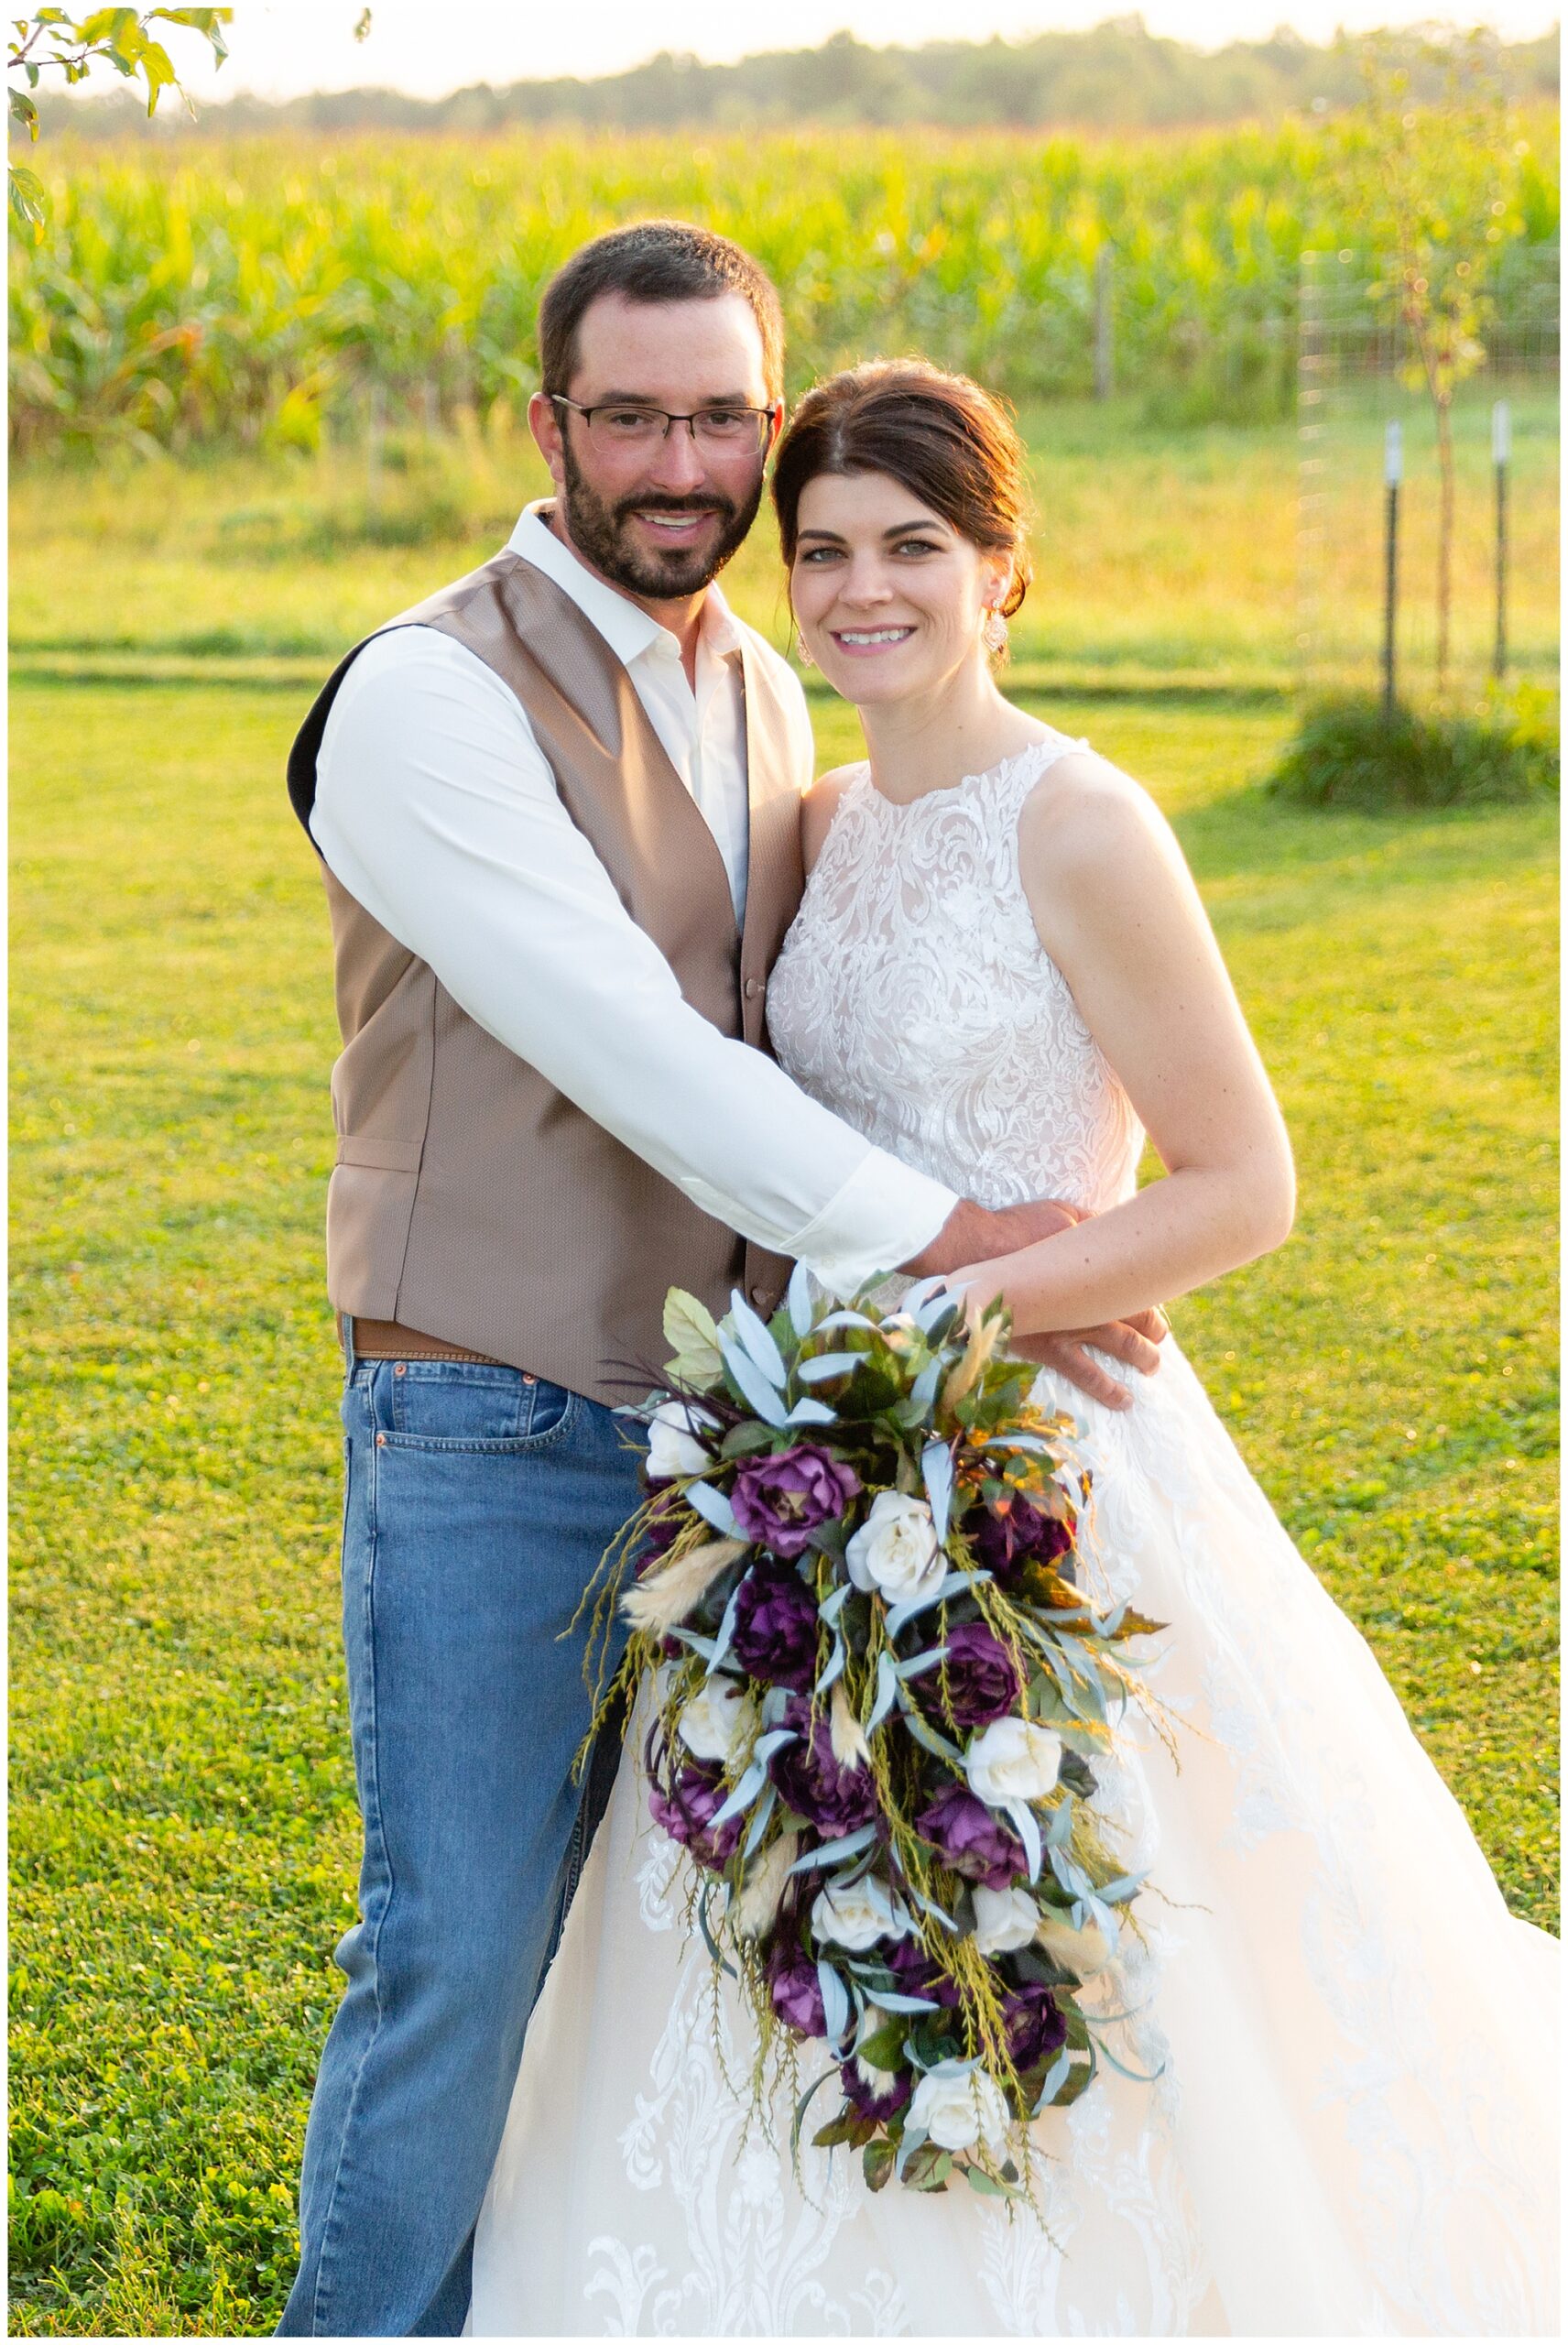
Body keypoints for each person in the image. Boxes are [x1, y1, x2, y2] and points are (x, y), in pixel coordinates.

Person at [466, 362, 1560, 2337]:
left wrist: (953, 1308)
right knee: (801, 1898)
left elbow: (1240, 1180)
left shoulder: (1084, 821)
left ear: (1002, 570)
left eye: (912, 547)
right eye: (822, 552)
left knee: (1059, 1902)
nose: (861, 589)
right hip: (811, 1465)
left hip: (1041, 1452)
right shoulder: (812, 817)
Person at [278, 231, 1164, 2340]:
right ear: (548, 426)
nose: (680, 462)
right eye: (632, 413)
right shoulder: (425, 688)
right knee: (463, 1946)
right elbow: (634, 1046)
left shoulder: (765, 680)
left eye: (720, 417)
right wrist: (959, 1240)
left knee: (648, 1959)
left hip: (748, 1432)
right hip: (493, 1407)